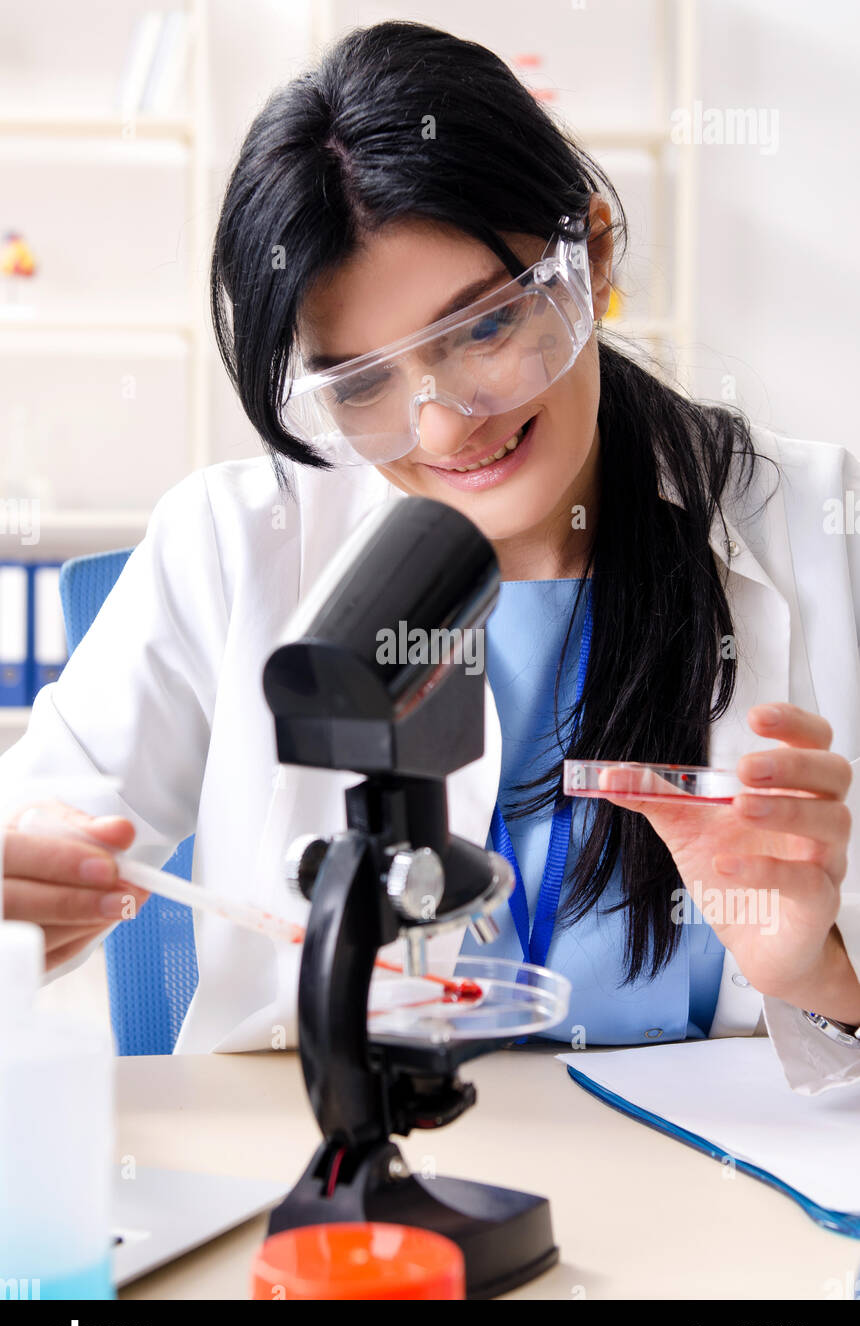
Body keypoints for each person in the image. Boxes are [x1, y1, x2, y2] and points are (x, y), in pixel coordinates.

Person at [1, 21, 858, 1091]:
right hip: (342, 1194)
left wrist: (818, 972)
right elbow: (39, 830)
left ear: (588, 258)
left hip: (709, 1214)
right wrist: (24, 900)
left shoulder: (827, 530)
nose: (447, 425)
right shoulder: (229, 545)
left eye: (487, 328)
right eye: (361, 382)